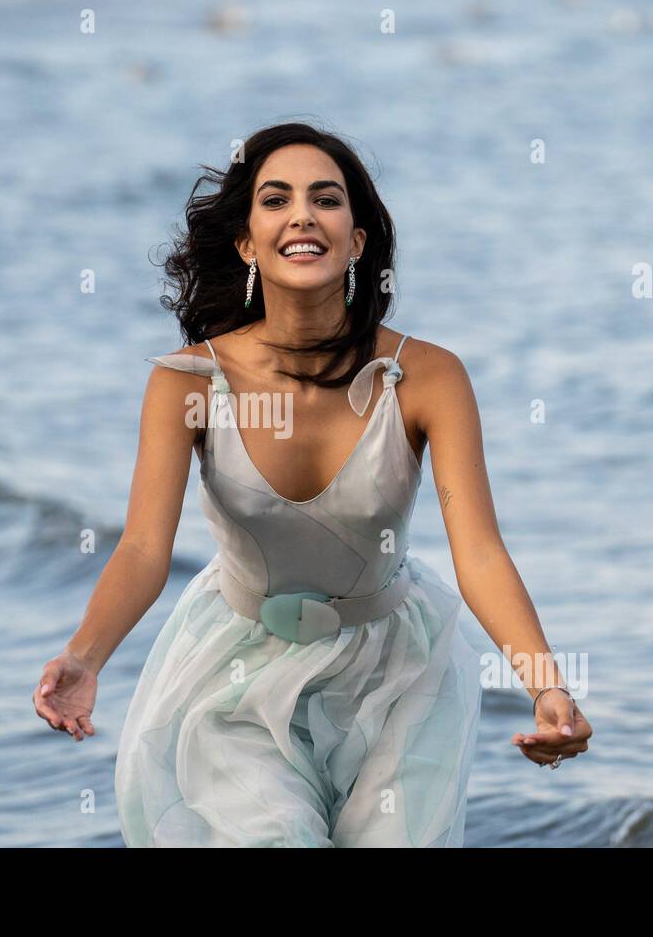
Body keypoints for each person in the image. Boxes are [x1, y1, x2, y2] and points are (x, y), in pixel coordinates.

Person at [33, 122, 592, 847]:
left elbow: (479, 552)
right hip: (234, 673)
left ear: (356, 240)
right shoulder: (187, 382)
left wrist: (546, 684)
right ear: (247, 242)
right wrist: (83, 658)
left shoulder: (428, 377)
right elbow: (143, 548)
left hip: (400, 676)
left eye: (326, 199)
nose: (302, 214)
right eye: (276, 200)